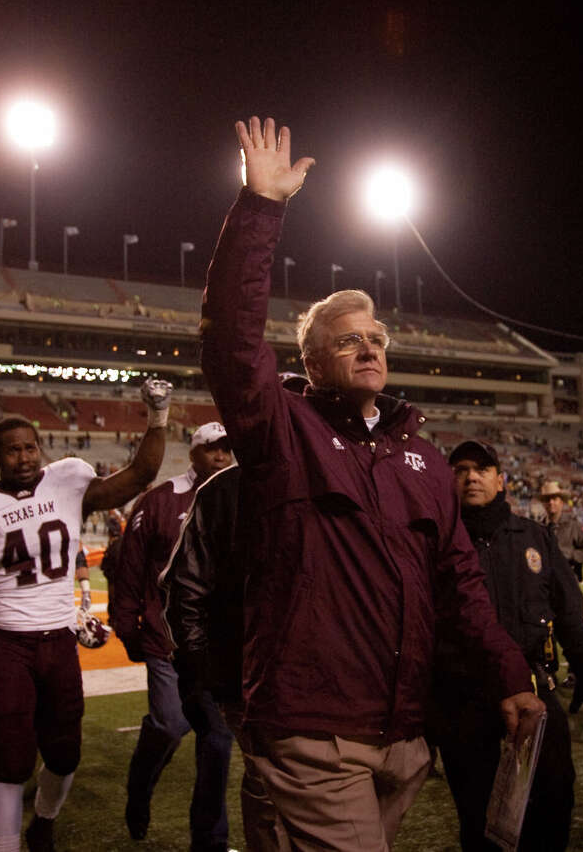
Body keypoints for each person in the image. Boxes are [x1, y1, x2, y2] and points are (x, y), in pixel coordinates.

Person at [200, 115, 543, 849]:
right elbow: (229, 343)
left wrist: (509, 669)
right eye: (348, 338)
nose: (369, 346)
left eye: (378, 338)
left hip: (400, 732)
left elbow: (459, 578)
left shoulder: (419, 456)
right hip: (313, 729)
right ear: (313, 361)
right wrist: (261, 209)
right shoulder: (282, 429)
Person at [0, 379, 171, 852]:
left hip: (60, 643)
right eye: (12, 451)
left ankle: (44, 819)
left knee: (64, 755)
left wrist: (158, 415)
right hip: (7, 645)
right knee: (11, 764)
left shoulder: (69, 483)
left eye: (29, 447)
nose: (24, 457)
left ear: (41, 448)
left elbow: (139, 475)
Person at [436, 440, 583, 851]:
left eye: (481, 468)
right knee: (477, 815)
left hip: (534, 686)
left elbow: (567, 610)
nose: (471, 477)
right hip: (465, 694)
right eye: (460, 470)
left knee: (554, 796)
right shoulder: (437, 542)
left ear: (501, 479)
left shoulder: (534, 537)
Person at [107, 422, 235, 848]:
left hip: (219, 645)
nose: (221, 457)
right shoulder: (160, 500)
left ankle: (209, 840)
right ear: (192, 454)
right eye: (212, 450)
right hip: (167, 637)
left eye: (227, 450)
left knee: (217, 740)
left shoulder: (241, 493)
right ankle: (139, 788)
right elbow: (130, 570)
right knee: (169, 725)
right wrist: (128, 630)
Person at [537, 480, 583, 583]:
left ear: (561, 502)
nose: (551, 502)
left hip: (569, 583)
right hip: (545, 585)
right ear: (543, 503)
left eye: (554, 499)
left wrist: (572, 555)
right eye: (547, 499)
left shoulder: (573, 526)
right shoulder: (538, 528)